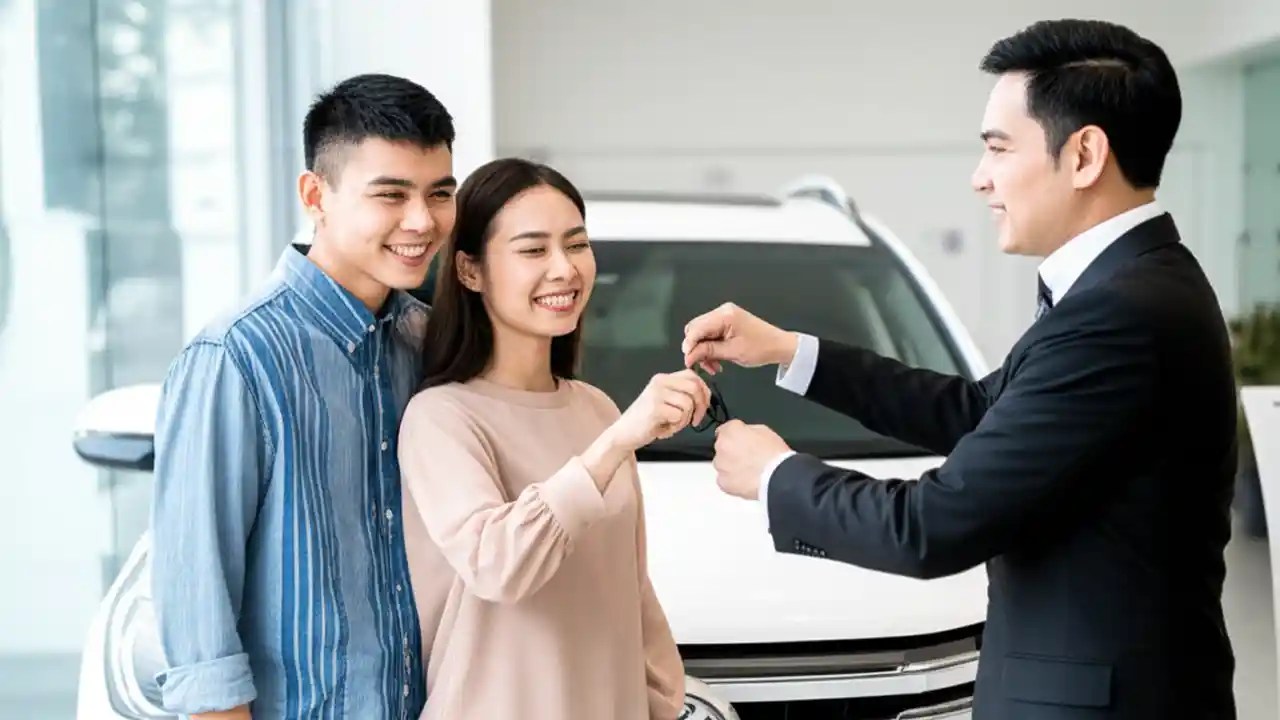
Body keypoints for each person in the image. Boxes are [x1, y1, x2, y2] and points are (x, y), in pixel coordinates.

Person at [682, 19, 1237, 720]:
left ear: (1086, 154)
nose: (981, 179)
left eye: (999, 149)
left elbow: (933, 524)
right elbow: (977, 413)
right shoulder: (1135, 285)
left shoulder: (1120, 314)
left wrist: (773, 475)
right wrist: (792, 352)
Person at [148, 73, 458, 719]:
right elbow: (199, 630)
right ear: (316, 194)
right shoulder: (235, 357)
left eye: (439, 193)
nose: (422, 221)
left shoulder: (426, 346)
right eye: (390, 195)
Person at [397, 157, 700, 720]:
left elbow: (632, 591)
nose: (564, 269)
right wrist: (614, 444)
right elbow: (497, 565)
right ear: (470, 270)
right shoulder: (441, 417)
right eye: (533, 250)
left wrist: (663, 703)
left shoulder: (594, 408)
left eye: (577, 244)